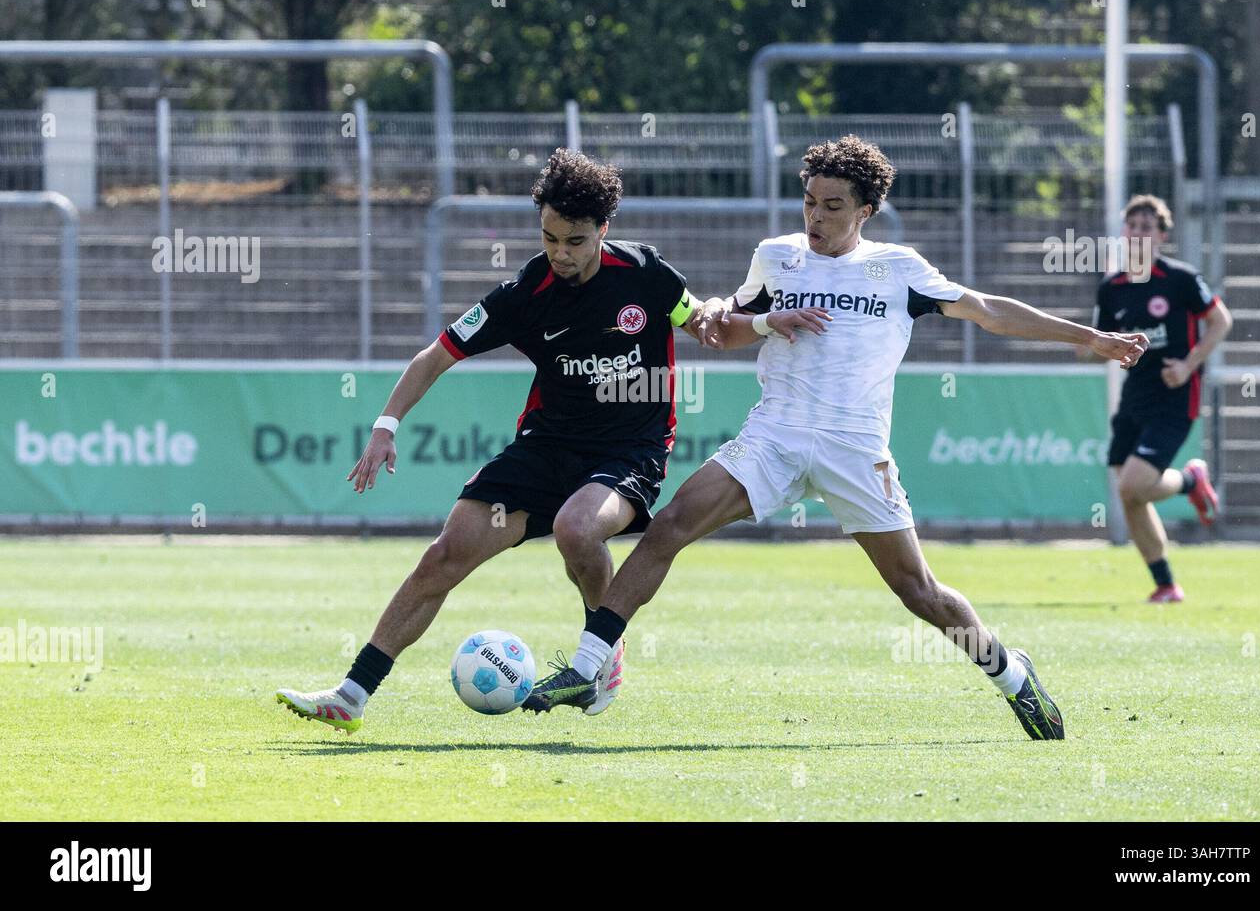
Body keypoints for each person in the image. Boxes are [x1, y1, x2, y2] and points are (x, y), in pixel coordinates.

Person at [523, 135, 1150, 741]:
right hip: (774, 437)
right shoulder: (777, 256)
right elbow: (731, 330)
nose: (816, 217)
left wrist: (1087, 338)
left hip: (854, 449)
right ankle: (588, 666)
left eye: (833, 206)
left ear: (865, 211)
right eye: (809, 203)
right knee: (669, 527)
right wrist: (735, 318)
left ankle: (1012, 675)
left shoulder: (898, 269)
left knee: (919, 593)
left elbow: (987, 309)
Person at [274, 149, 799, 732]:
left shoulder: (646, 275)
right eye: (550, 237)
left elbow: (700, 320)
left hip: (630, 451)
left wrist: (741, 320)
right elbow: (436, 356)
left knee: (578, 529)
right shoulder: (526, 292)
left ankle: (600, 653)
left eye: (575, 240)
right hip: (544, 449)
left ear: (603, 229)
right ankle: (351, 695)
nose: (560, 253)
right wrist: (385, 425)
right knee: (443, 556)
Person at [1091, 194, 1233, 603]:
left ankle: (1191, 479)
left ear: (1161, 236)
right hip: (1134, 395)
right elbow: (1099, 342)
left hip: (1175, 394)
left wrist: (1189, 365)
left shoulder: (1180, 279)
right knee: (1128, 493)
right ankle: (1166, 585)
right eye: (1131, 226)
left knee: (1135, 486)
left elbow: (1221, 321)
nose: (1137, 233)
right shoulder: (1112, 287)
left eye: (1146, 227)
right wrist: (1088, 345)